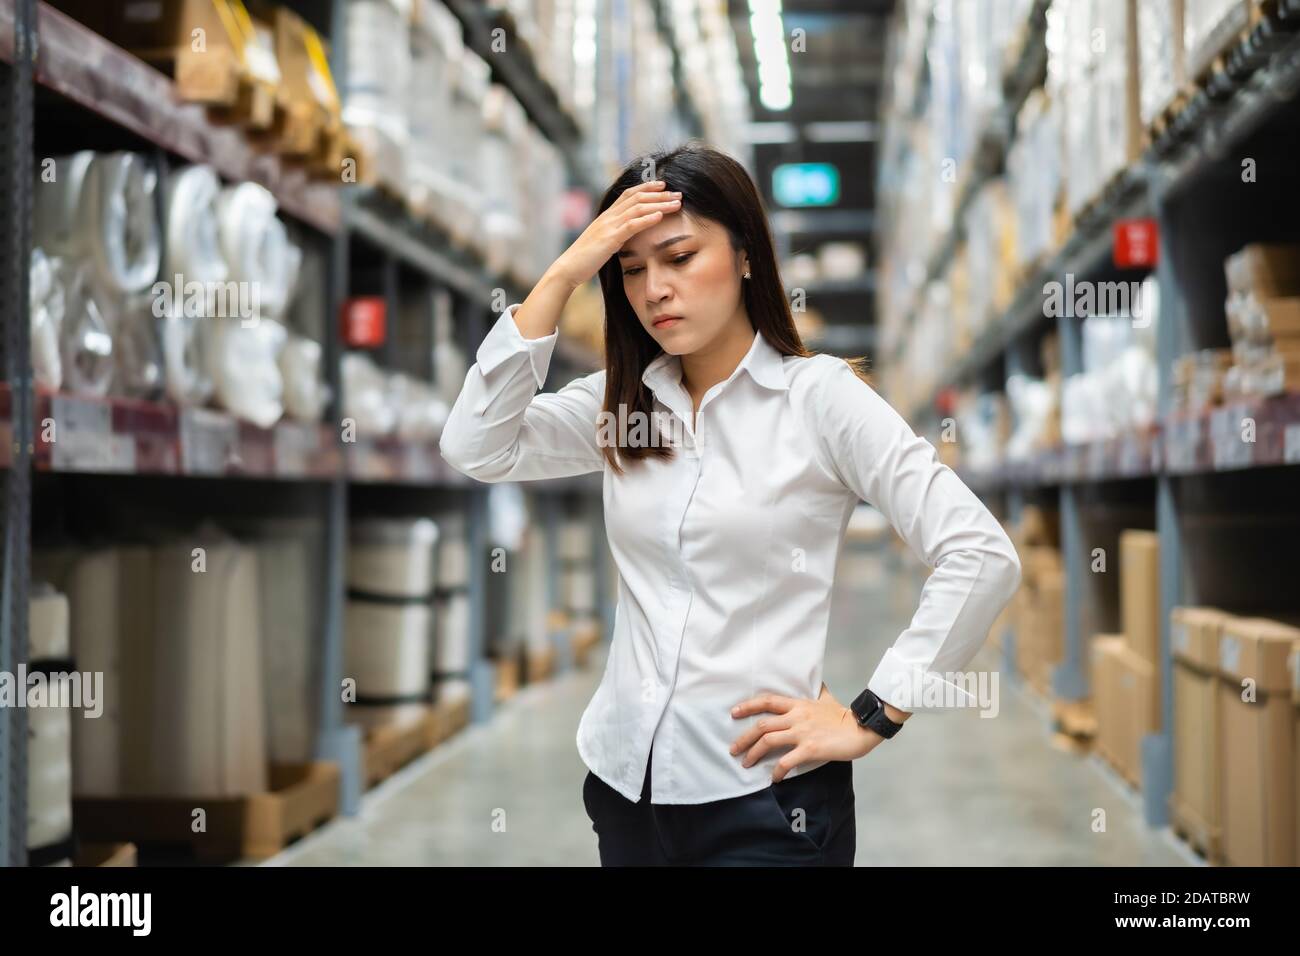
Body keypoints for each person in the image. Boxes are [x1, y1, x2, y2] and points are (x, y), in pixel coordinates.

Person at [439, 142, 1021, 866]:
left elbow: (979, 552)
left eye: (680, 258)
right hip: (627, 791)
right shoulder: (624, 405)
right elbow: (475, 445)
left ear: (746, 255)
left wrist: (875, 713)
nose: (654, 289)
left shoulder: (819, 399)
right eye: (631, 269)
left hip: (766, 802)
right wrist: (565, 271)